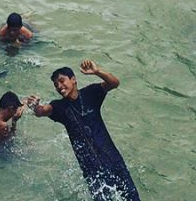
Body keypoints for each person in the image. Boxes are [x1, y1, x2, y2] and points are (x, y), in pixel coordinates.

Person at [30, 61, 140, 201]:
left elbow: (114, 83)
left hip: (112, 160)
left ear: (73, 79)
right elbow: (42, 111)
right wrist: (34, 106)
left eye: (62, 81)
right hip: (91, 170)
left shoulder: (91, 93)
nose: (59, 86)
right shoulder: (59, 107)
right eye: (56, 85)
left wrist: (97, 71)